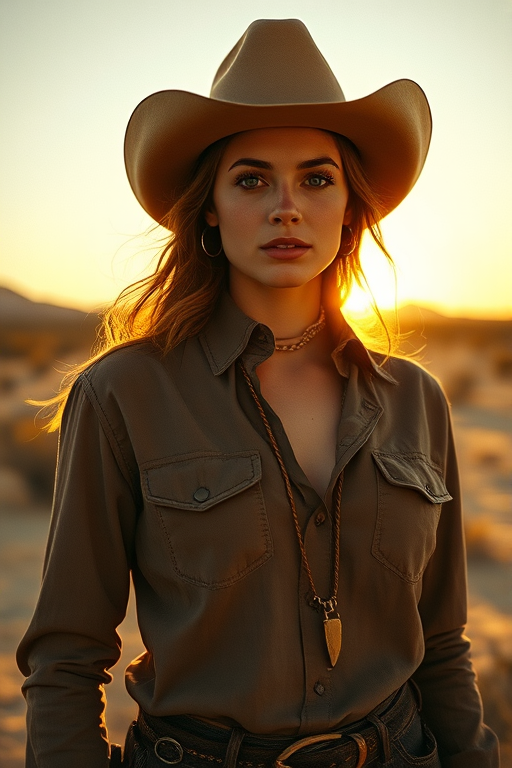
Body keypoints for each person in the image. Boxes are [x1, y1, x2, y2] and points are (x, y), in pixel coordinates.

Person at [17, 18, 499, 768]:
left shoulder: (417, 399)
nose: (287, 207)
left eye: (316, 177)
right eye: (251, 179)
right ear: (209, 205)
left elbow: (441, 643)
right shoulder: (124, 394)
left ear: (349, 206)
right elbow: (66, 656)